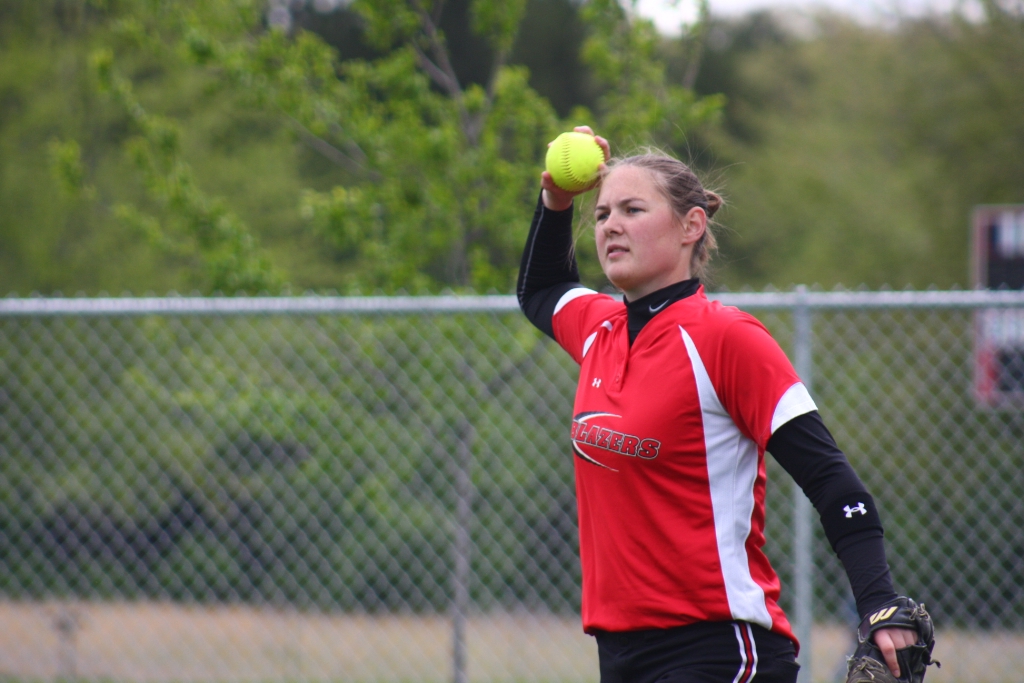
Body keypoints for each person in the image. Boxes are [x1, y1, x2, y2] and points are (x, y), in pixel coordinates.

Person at [516, 127, 922, 683]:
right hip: (620, 650)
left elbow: (833, 481)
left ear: (691, 226)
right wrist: (557, 200)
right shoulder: (599, 330)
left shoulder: (726, 338)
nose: (610, 224)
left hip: (719, 645)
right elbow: (539, 291)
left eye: (633, 209)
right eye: (604, 212)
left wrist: (879, 603)